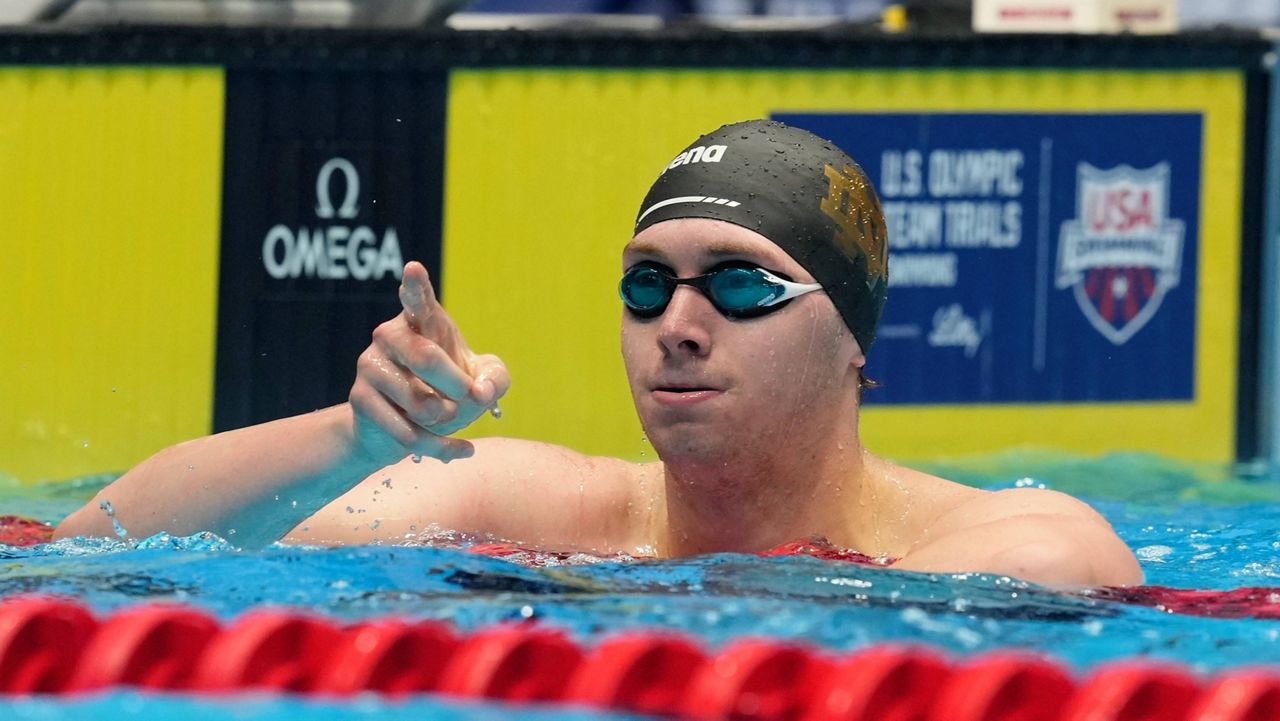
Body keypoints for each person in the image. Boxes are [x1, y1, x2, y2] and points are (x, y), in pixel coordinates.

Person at [55, 120, 1142, 588]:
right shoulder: (541, 507)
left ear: (853, 339)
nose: (676, 320)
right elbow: (83, 555)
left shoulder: (1011, 538)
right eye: (644, 282)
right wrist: (349, 439)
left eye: (739, 284)